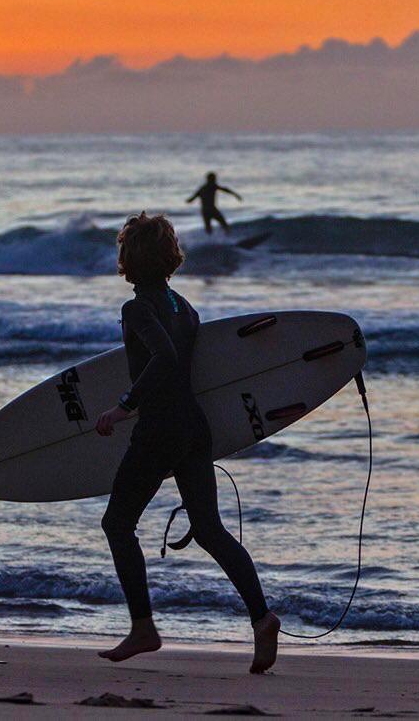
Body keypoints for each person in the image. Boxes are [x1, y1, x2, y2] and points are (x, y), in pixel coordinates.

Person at [95, 212, 280, 673]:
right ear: (169, 257)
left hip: (159, 429)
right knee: (211, 530)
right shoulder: (185, 307)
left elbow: (164, 357)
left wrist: (123, 405)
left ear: (128, 260)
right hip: (195, 428)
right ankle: (261, 617)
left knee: (117, 525)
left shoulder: (137, 309)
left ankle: (143, 627)